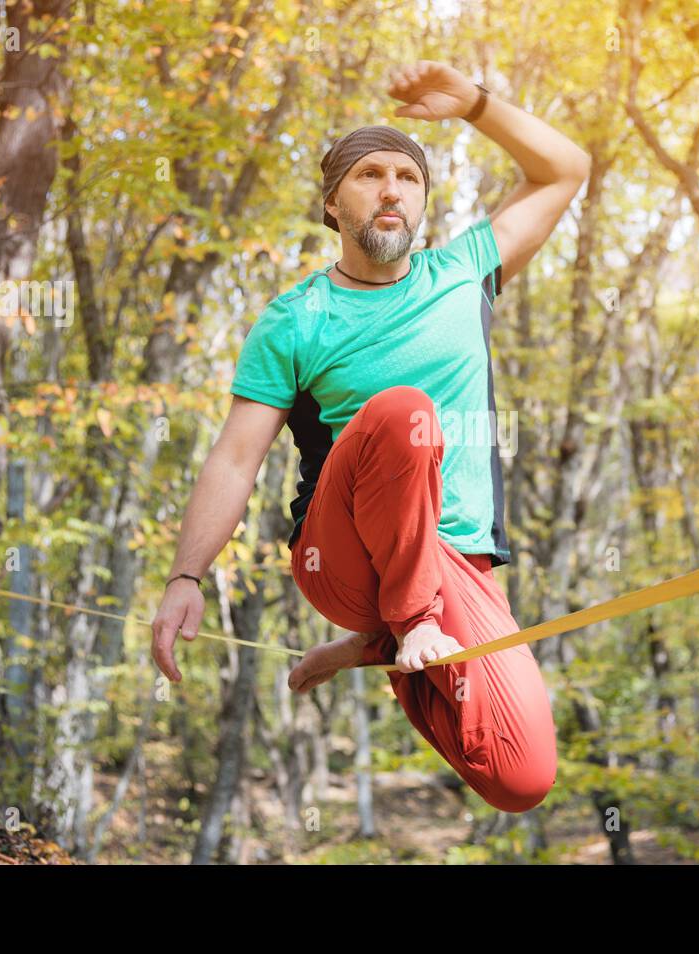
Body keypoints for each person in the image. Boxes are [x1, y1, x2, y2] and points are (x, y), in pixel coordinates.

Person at [151, 60, 591, 813]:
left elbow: (565, 171)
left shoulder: (464, 273)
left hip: (460, 561)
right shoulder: (294, 318)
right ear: (332, 202)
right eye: (369, 174)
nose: (392, 189)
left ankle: (383, 644)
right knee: (403, 412)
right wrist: (185, 576)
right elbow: (233, 458)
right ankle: (404, 623)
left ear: (421, 202)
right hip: (343, 557)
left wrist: (476, 104)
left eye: (408, 178)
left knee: (521, 780)